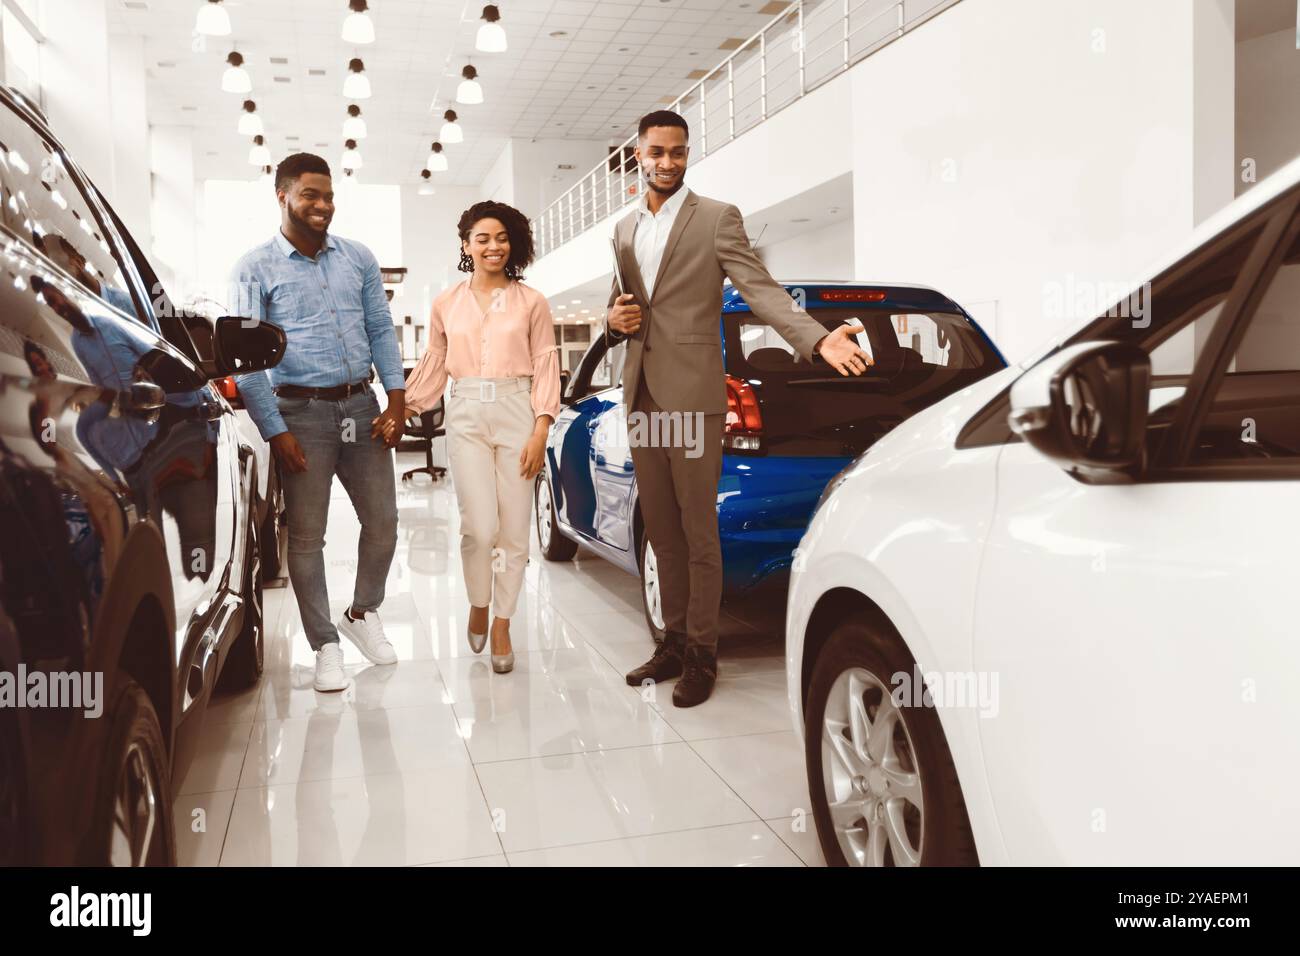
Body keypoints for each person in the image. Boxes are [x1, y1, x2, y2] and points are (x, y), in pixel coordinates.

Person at [606, 110, 870, 707]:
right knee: (663, 532)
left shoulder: (717, 218)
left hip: (695, 399)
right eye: (656, 152)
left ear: (686, 153)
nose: (667, 162)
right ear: (638, 156)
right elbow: (620, 305)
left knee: (699, 532)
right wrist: (610, 321)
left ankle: (702, 653)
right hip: (642, 394)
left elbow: (760, 289)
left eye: (677, 152)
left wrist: (815, 336)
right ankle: (671, 642)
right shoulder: (623, 230)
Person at [230, 153, 406, 692]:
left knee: (383, 522)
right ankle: (325, 644)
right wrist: (274, 430)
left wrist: (395, 398)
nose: (323, 206)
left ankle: (361, 612)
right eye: (311, 195)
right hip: (299, 414)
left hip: (361, 407)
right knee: (307, 538)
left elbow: (379, 327)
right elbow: (247, 358)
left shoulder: (357, 258)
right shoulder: (253, 267)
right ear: (282, 195)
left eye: (328, 196)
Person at [402, 201, 560, 674]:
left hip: (518, 410)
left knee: (513, 529)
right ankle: (477, 601)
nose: (494, 246)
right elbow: (433, 365)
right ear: (466, 244)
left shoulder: (532, 301)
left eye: (502, 238)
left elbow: (546, 365)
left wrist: (541, 428)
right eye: (483, 238)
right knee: (479, 528)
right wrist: (402, 409)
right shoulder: (445, 303)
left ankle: (502, 622)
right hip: (467, 409)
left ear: (513, 243)